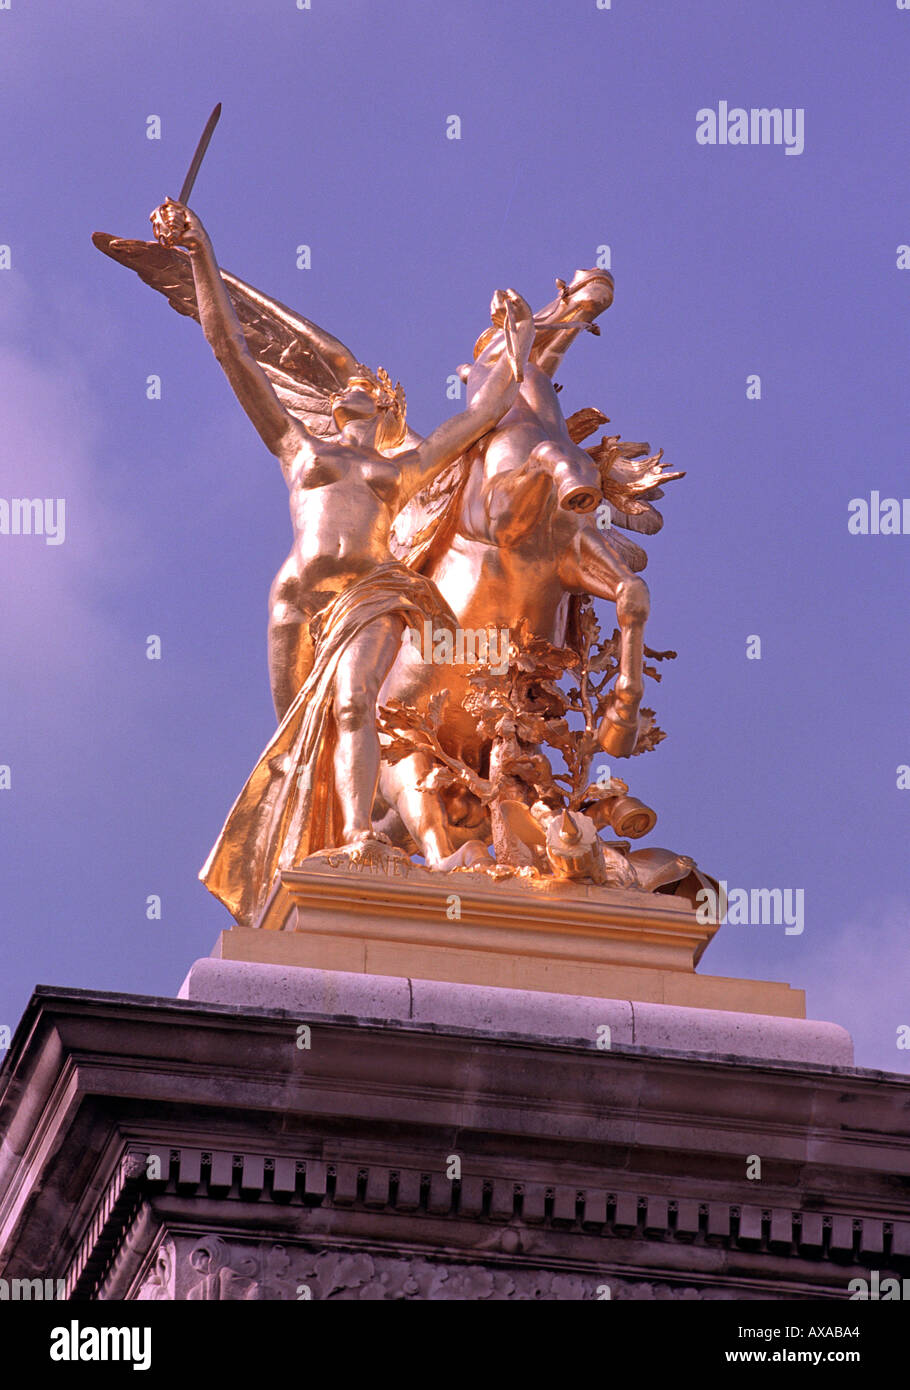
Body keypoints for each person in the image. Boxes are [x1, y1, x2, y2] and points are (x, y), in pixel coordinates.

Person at [149, 198, 533, 924]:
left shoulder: (406, 468)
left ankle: (361, 836)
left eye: (373, 387)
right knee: (298, 741)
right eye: (352, 385)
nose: (360, 385)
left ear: (384, 407)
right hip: (296, 598)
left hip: (375, 593)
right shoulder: (300, 449)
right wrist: (201, 255)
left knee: (357, 701)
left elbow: (483, 417)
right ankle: (303, 849)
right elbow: (229, 346)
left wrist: (522, 342)